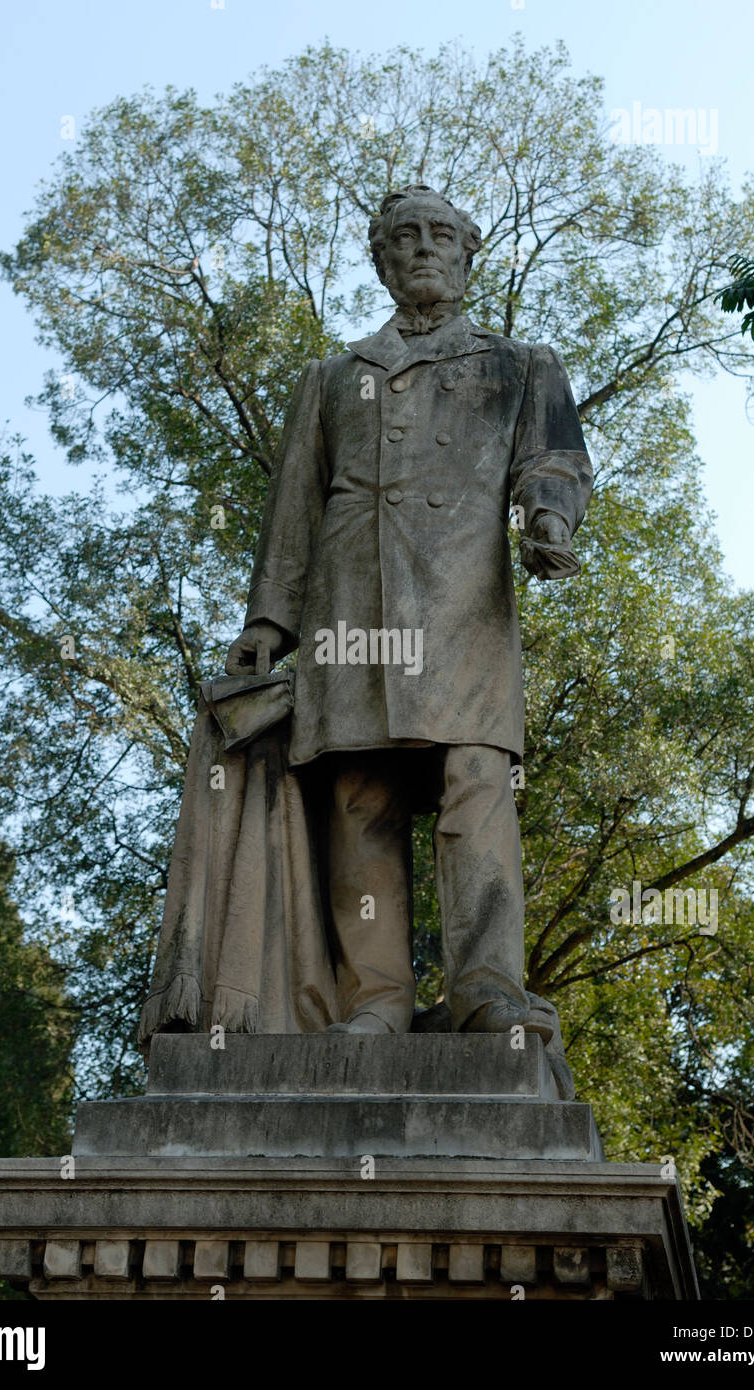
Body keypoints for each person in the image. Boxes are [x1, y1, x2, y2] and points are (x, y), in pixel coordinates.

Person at [225, 185, 593, 1036]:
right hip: (349, 601)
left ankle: (486, 991)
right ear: (380, 260)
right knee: (361, 795)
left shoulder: (519, 364)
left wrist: (545, 516)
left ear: (467, 252)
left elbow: (554, 460)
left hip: (462, 600)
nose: (423, 248)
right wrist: (268, 621)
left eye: (439, 235)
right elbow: (294, 506)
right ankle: (377, 1002)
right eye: (404, 237)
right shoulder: (332, 377)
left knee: (476, 781)